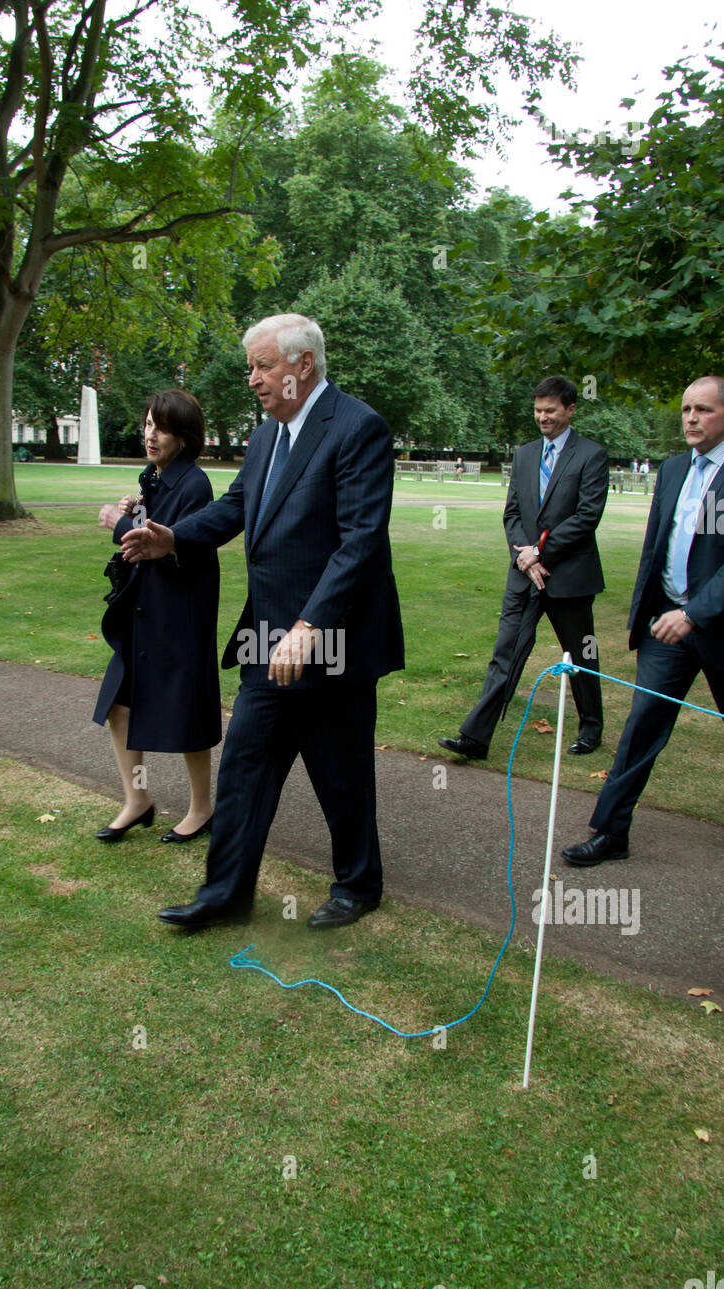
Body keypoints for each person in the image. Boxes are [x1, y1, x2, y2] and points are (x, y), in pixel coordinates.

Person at [121, 313, 404, 930]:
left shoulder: (358, 429)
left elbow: (359, 544)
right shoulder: (264, 436)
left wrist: (309, 627)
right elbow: (236, 507)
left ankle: (358, 885)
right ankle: (225, 894)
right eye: (252, 366)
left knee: (341, 772)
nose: (252, 378)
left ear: (303, 366)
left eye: (263, 365)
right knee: (246, 763)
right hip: (265, 638)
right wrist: (173, 539)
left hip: (332, 641)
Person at [562, 376, 724, 865]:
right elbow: (657, 547)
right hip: (666, 629)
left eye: (704, 410)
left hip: (713, 626)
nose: (691, 418)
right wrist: (655, 611)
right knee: (641, 727)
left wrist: (694, 614)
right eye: (686, 409)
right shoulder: (674, 469)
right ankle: (611, 832)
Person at [439, 375, 609, 761]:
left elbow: (586, 517)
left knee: (581, 655)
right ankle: (476, 738)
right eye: (538, 410)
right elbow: (512, 511)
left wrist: (540, 554)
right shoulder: (526, 454)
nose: (543, 417)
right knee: (506, 652)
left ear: (570, 409)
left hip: (568, 577)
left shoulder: (592, 455)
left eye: (550, 410)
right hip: (522, 574)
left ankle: (591, 729)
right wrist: (523, 555)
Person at [92, 389, 220, 843]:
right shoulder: (154, 475)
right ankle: (138, 800)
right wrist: (133, 511)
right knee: (119, 705)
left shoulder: (194, 484)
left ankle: (202, 808)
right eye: (147, 424)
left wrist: (119, 523)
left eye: (161, 427)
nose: (151, 434)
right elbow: (145, 535)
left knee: (187, 711)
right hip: (142, 608)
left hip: (177, 614)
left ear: (184, 436)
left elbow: (176, 545)